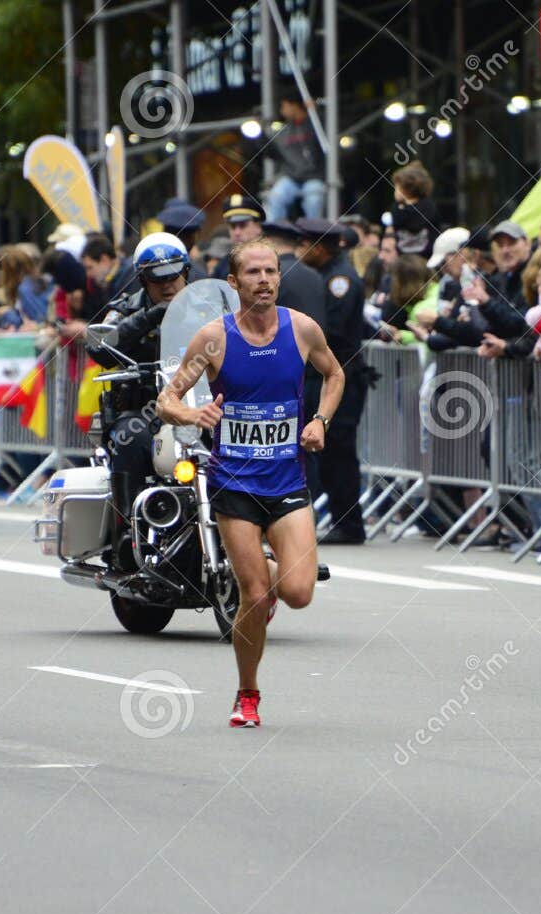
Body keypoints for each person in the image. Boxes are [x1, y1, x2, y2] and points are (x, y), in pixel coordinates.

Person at [155, 239, 344, 728]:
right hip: (234, 482)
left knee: (299, 592)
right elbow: (167, 400)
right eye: (254, 273)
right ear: (234, 283)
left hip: (286, 477)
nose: (264, 280)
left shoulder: (301, 329)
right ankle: (247, 694)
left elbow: (335, 375)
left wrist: (320, 420)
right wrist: (195, 412)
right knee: (255, 597)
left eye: (271, 271)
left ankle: (263, 559)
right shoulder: (213, 339)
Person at [99, 233, 193, 537]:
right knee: (128, 437)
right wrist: (150, 316)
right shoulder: (126, 308)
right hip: (146, 410)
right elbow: (100, 348)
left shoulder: (206, 306)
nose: (167, 285)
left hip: (201, 405)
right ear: (142, 279)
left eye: (174, 276)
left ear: (186, 273)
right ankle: (128, 529)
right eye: (157, 279)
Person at [296, 216, 368, 544]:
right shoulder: (321, 275)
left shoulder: (340, 280)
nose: (299, 250)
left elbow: (332, 331)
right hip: (326, 374)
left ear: (321, 247)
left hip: (344, 376)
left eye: (304, 244)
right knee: (325, 451)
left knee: (340, 450)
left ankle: (349, 524)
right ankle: (339, 518)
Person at [264, 97, 326, 222]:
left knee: (314, 198)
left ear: (294, 105)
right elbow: (272, 152)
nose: (282, 111)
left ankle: (313, 235)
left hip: (314, 176)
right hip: (291, 177)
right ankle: (274, 233)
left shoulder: (315, 123)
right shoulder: (284, 130)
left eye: (284, 106)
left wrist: (315, 112)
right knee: (275, 196)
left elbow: (326, 133)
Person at [211, 192, 266, 280]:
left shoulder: (271, 259)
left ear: (258, 227)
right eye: (233, 226)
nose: (237, 232)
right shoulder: (223, 265)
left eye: (243, 225)